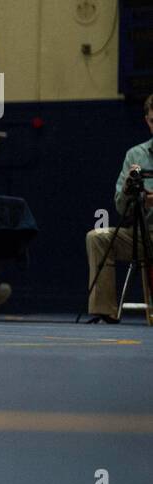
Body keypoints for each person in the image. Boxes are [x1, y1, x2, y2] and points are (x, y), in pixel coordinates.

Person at [85, 94, 153, 323]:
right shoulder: (135, 155)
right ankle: (104, 310)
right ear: (147, 121)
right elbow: (119, 206)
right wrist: (128, 191)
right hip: (142, 234)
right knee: (97, 237)